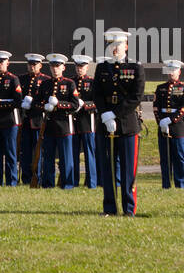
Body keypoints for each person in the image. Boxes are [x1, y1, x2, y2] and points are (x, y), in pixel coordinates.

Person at [92, 28, 145, 216]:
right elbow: (96, 93)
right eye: (111, 44)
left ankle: (129, 208)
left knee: (128, 170)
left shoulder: (136, 67)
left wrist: (114, 114)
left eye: (119, 44)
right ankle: (109, 208)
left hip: (127, 124)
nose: (115, 48)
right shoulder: (102, 67)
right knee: (107, 168)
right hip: (105, 124)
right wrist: (105, 114)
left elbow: (136, 97)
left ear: (126, 46)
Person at [34, 53, 78, 188]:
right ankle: (48, 183)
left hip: (64, 125)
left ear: (63, 67)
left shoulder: (69, 83)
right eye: (52, 66)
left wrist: (59, 104)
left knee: (66, 158)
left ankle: (67, 184)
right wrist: (44, 106)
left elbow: (75, 105)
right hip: (49, 125)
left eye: (57, 66)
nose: (55, 69)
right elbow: (36, 102)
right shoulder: (45, 84)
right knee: (48, 157)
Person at [154, 60, 184, 190]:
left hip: (177, 126)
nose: (171, 73)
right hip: (163, 124)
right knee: (165, 157)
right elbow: (156, 107)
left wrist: (171, 120)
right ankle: (166, 185)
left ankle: (180, 184)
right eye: (169, 70)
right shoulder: (160, 88)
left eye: (174, 70)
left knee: (179, 156)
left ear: (179, 72)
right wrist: (160, 122)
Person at [0, 49, 21, 187]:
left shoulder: (13, 79)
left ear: (8, 63)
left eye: (2, 62)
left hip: (9, 121)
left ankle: (11, 181)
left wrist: (1, 103)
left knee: (10, 153)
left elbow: (18, 101)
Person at [70, 55, 98, 188]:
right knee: (73, 153)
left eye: (82, 67)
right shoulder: (70, 82)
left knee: (89, 153)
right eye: (77, 67)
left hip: (87, 121)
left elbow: (97, 102)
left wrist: (85, 105)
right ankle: (74, 181)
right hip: (73, 122)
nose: (79, 69)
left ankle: (92, 182)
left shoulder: (92, 83)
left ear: (87, 67)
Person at [18, 53, 46, 184]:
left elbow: (46, 102)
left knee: (37, 150)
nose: (32, 67)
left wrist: (34, 103)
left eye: (35, 64)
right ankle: (26, 177)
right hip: (24, 120)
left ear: (40, 65)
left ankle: (37, 177)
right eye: (30, 64)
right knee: (25, 151)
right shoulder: (21, 79)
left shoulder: (45, 80)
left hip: (37, 120)